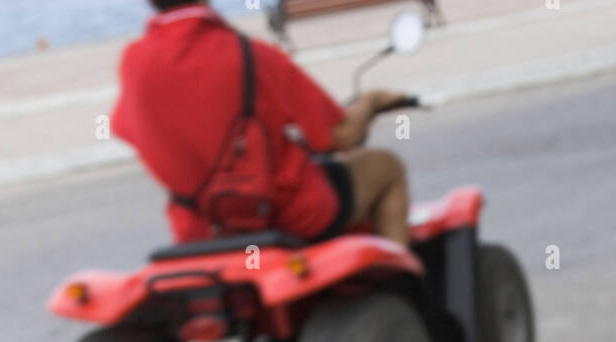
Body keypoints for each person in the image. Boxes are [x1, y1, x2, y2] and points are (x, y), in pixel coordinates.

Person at [111, 2, 411, 247]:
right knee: (386, 166)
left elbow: (127, 130)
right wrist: (371, 102)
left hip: (200, 228)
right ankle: (403, 288)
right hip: (289, 212)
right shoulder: (251, 54)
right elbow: (340, 137)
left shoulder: (134, 61)